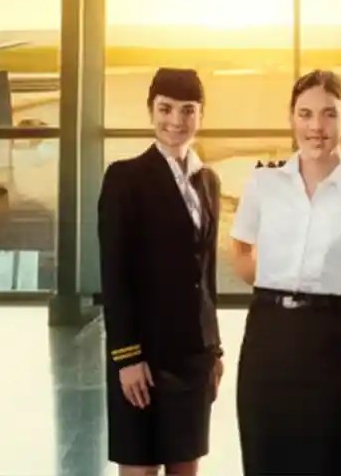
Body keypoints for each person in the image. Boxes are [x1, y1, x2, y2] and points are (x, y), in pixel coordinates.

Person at [229, 69, 341, 476]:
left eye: (329, 114)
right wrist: (275, 285)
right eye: (306, 114)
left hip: (329, 341)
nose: (317, 126)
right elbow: (239, 249)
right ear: (291, 117)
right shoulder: (264, 182)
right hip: (267, 339)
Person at [98, 68, 223, 476]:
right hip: (144, 356)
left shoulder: (208, 181)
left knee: (186, 467)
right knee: (140, 467)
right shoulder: (125, 178)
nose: (176, 120)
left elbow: (206, 274)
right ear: (150, 110)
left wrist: (214, 350)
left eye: (188, 110)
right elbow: (115, 275)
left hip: (193, 355)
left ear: (201, 115)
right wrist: (127, 357)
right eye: (165, 109)